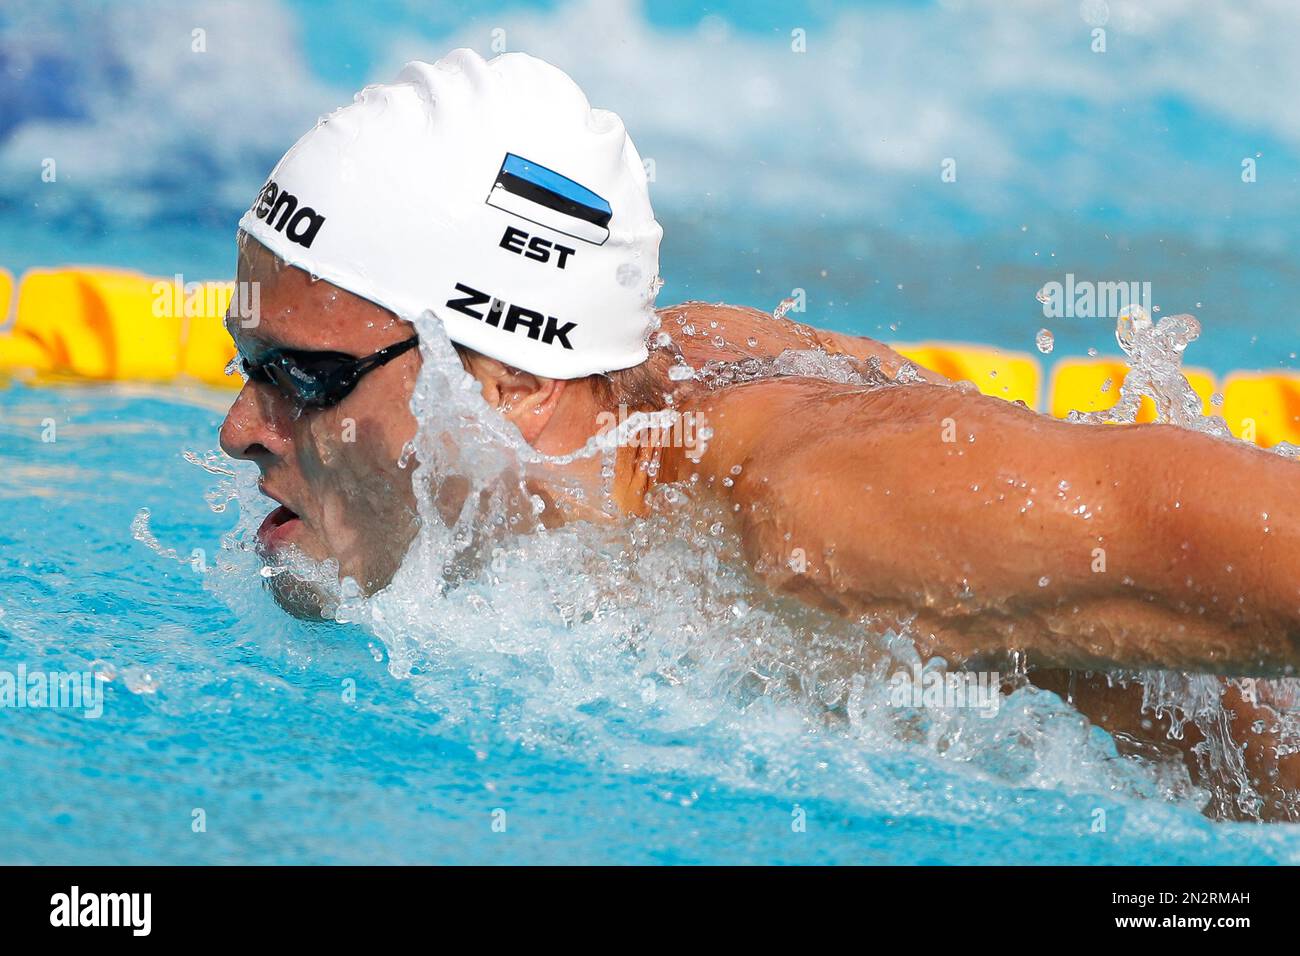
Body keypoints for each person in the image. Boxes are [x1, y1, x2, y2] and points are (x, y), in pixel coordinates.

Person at [221, 49, 1300, 818]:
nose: (238, 428)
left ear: (504, 384)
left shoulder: (815, 513)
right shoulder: (626, 404)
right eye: (244, 361)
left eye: (303, 378)